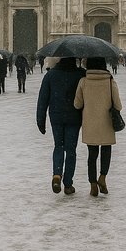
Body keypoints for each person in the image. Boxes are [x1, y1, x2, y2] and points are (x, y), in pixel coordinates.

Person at [36, 57, 85, 195]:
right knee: (71, 150)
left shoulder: (51, 75)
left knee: (59, 146)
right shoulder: (80, 74)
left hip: (56, 116)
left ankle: (57, 174)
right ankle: (68, 184)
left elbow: (42, 99)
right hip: (74, 117)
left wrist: (40, 120)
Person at [74, 57, 122, 197]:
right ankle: (102, 178)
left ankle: (93, 185)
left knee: (92, 156)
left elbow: (77, 104)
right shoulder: (110, 82)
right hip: (107, 123)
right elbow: (118, 106)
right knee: (106, 151)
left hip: (90, 123)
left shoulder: (83, 81)